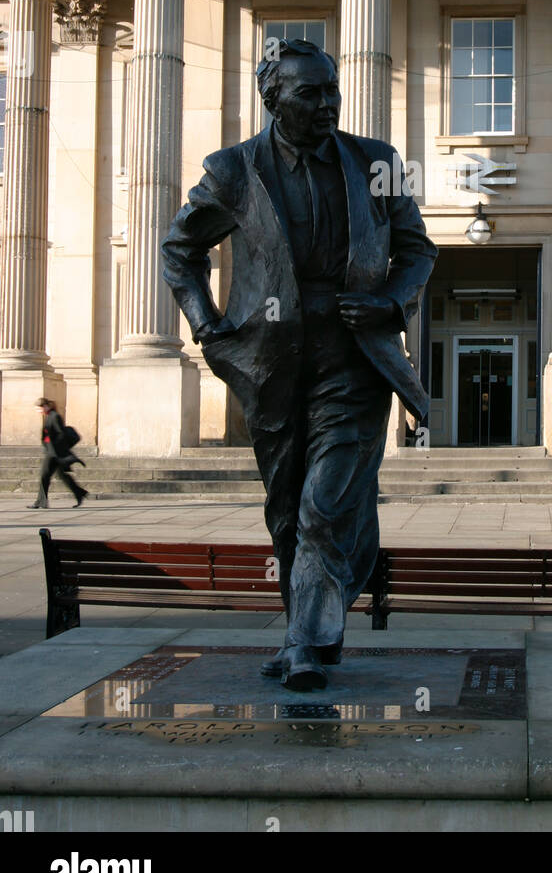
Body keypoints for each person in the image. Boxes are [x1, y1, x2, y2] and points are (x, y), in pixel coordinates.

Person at [162, 39, 437, 691]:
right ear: (273, 98)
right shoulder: (232, 171)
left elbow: (417, 253)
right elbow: (180, 251)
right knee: (287, 511)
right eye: (310, 93)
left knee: (321, 504)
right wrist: (206, 325)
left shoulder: (375, 162)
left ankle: (305, 644)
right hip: (271, 363)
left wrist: (389, 304)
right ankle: (314, 625)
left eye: (332, 90)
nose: (327, 104)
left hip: (354, 359)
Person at [28, 398, 87, 509]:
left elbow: (61, 434)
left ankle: (41, 502)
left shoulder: (54, 416)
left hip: (53, 453)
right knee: (61, 475)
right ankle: (79, 493)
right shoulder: (49, 416)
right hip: (52, 451)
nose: (38, 411)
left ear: (45, 406)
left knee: (44, 476)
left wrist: (53, 446)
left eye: (39, 408)